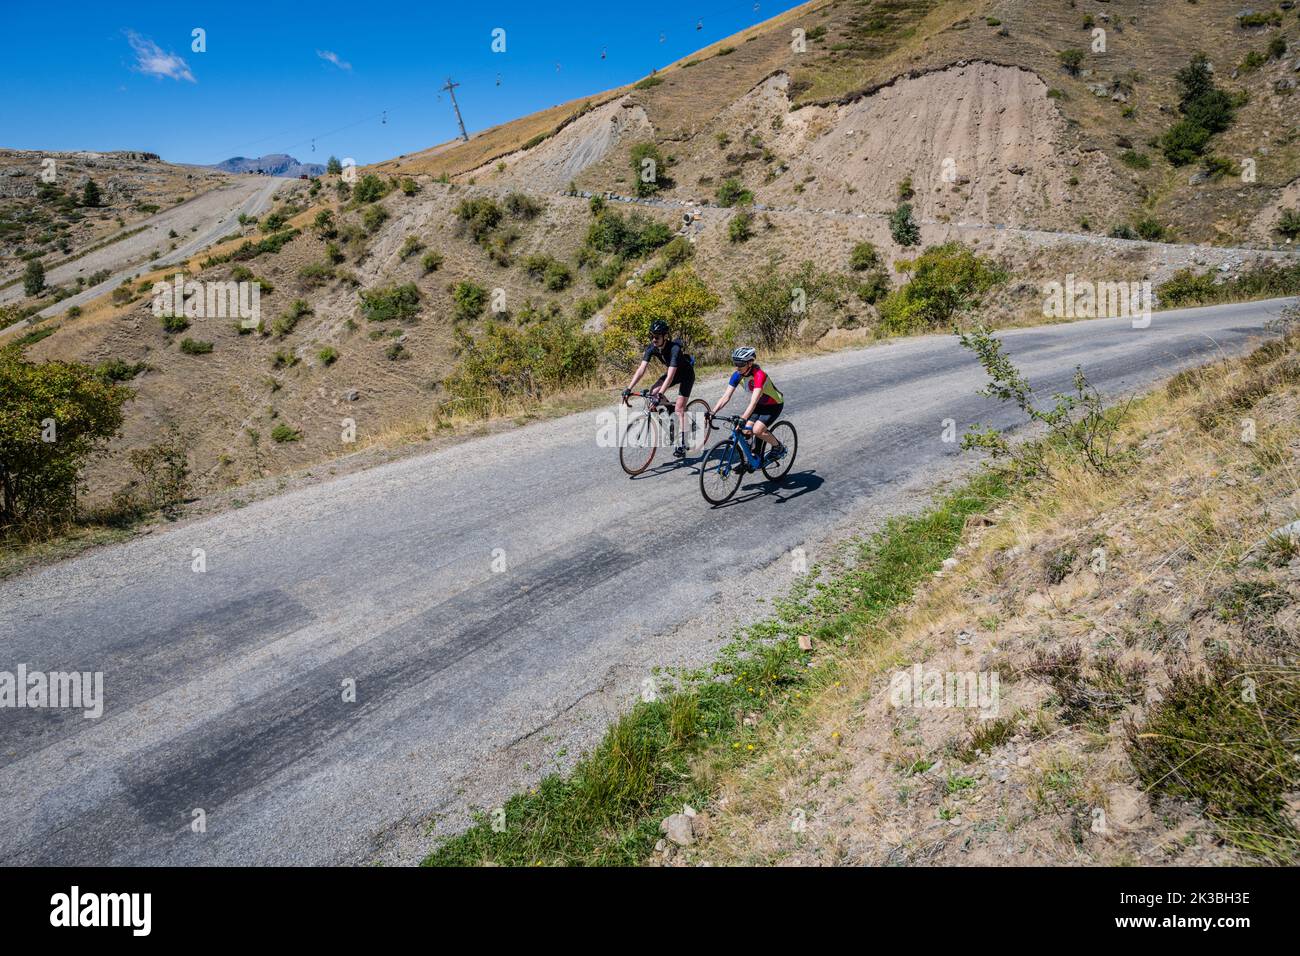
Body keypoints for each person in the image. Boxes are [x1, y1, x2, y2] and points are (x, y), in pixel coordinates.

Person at [622, 319, 696, 458]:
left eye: (657, 336)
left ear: (665, 336)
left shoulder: (674, 349)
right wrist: (629, 388)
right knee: (653, 392)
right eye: (652, 336)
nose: (654, 339)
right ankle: (671, 413)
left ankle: (682, 445)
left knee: (679, 408)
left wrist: (660, 394)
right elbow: (641, 369)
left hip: (685, 374)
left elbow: (670, 376)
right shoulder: (652, 348)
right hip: (672, 373)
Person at [708, 346, 786, 468]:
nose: (737, 367)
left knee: (757, 430)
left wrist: (743, 418)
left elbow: (753, 402)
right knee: (745, 430)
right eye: (735, 363)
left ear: (750, 363)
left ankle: (778, 447)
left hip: (773, 405)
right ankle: (751, 458)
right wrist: (712, 412)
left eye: (740, 364)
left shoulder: (759, 375)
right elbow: (725, 397)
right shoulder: (738, 375)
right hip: (759, 405)